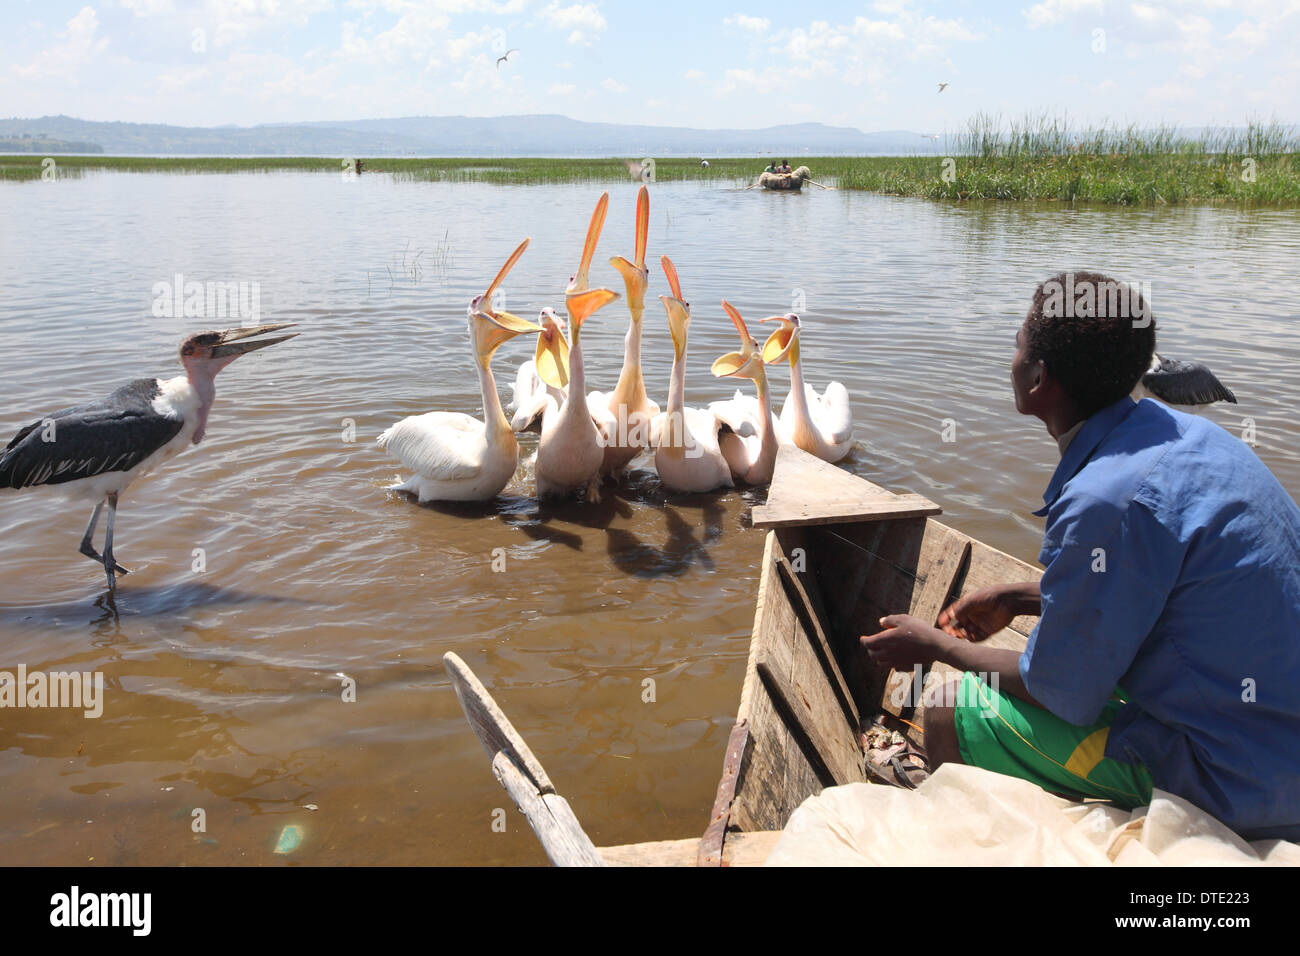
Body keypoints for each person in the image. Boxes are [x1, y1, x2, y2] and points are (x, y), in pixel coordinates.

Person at [860, 271, 1300, 841]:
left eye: (1019, 345)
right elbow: (1158, 586)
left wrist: (934, 645)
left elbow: (1058, 691)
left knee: (948, 705)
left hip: (1239, 776)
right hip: (1274, 727)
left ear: (1039, 378)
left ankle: (963, 837)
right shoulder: (1196, 439)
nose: (1012, 357)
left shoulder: (1104, 500)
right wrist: (1023, 596)